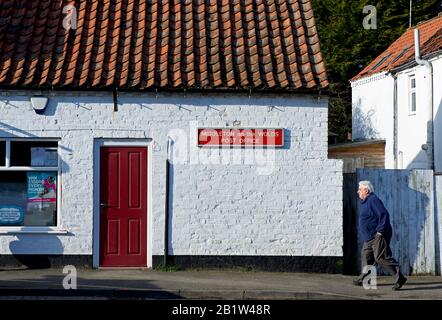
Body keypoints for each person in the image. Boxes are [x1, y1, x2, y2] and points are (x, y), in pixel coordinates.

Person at [353, 180, 407, 290]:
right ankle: (364, 278)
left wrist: (380, 232)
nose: (358, 191)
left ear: (366, 190)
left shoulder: (373, 200)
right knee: (366, 256)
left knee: (381, 258)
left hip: (378, 235)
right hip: (369, 237)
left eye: (360, 189)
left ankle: (399, 277)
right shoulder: (365, 202)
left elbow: (384, 215)